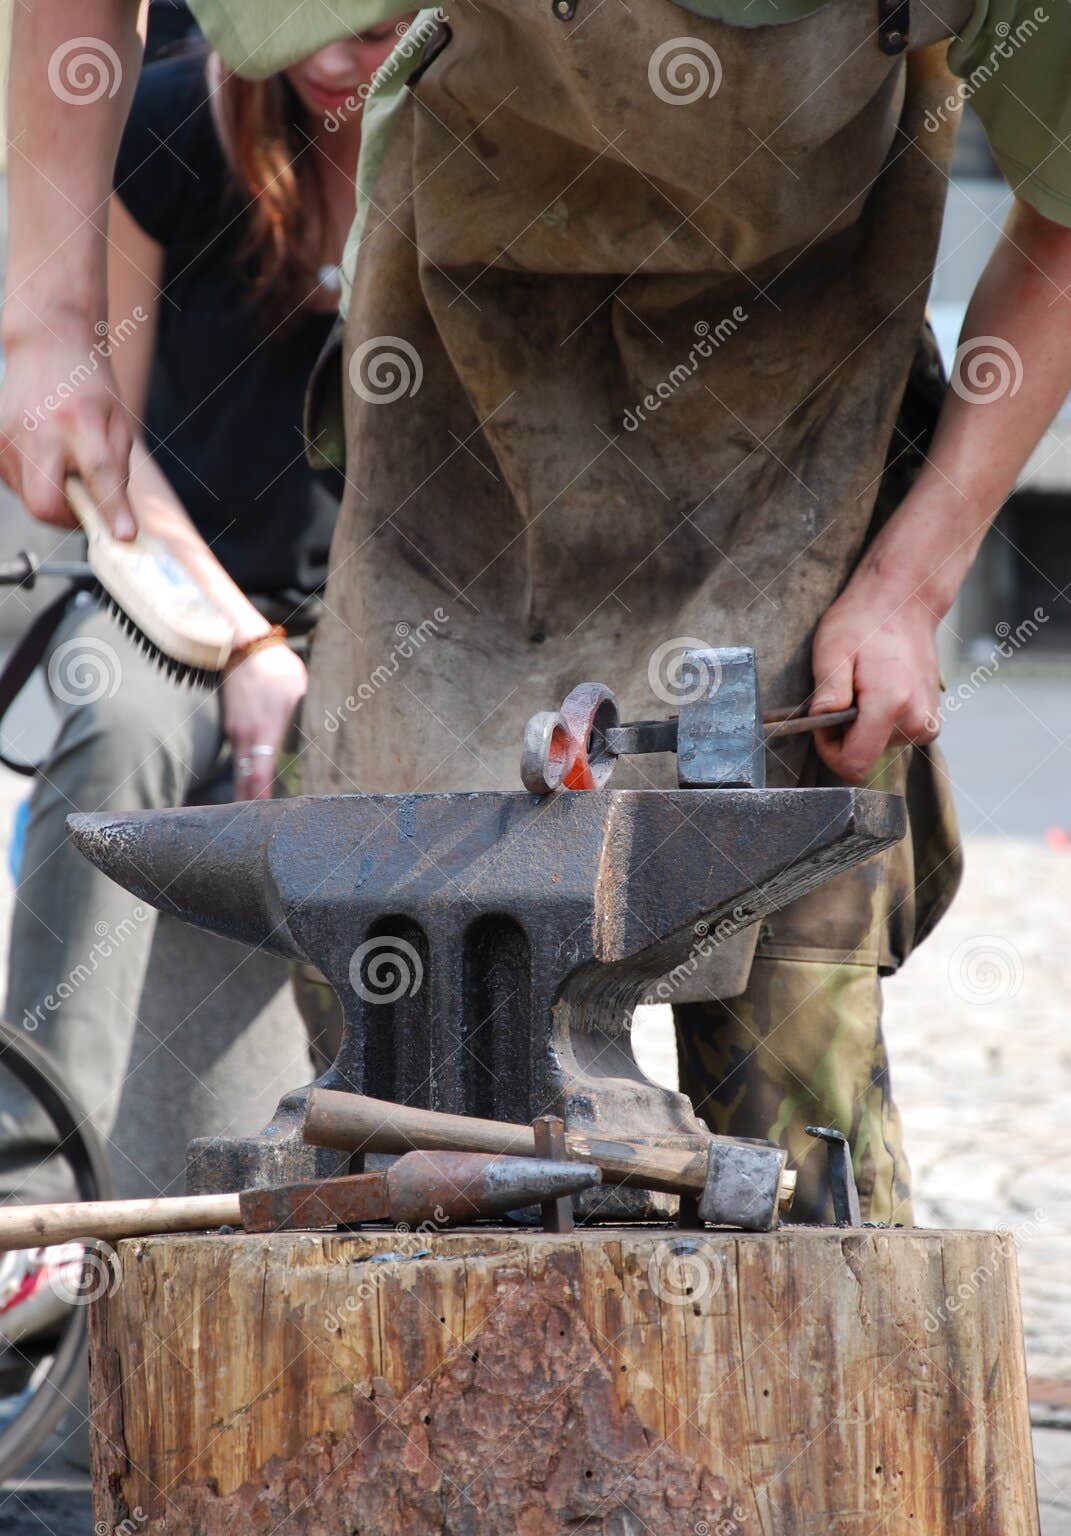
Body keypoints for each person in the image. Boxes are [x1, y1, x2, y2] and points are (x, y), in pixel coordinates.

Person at [3, 2, 1071, 1231]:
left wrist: (912, 580)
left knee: (793, 1117)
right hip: (464, 456)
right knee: (405, 1035)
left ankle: (821, 1380)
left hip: (806, 456)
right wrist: (44, 321)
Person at [0, 13, 410, 1340]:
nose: (352, 52)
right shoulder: (173, 124)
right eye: (323, 22)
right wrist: (242, 645)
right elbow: (99, 449)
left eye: (386, 23)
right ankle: (27, 1213)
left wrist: (331, 655)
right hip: (174, 597)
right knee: (111, 725)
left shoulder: (475, 137)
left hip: (395, 611)